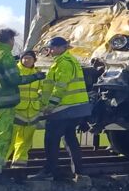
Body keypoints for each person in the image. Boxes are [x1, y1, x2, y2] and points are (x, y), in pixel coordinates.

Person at [0, 28, 44, 187]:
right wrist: (36, 76)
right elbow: (14, 79)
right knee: (2, 138)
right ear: (10, 40)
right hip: (5, 103)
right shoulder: (5, 56)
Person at [30, 37, 92, 182]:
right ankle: (79, 171)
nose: (50, 51)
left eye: (52, 48)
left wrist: (51, 105)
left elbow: (60, 87)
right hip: (75, 108)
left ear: (61, 48)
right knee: (70, 138)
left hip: (64, 108)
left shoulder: (63, 64)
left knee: (51, 138)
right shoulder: (68, 61)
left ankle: (49, 170)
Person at [9, 50, 43, 168]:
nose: (27, 60)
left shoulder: (38, 74)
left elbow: (42, 89)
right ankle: (1, 164)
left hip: (32, 111)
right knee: (10, 139)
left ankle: (19, 164)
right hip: (17, 110)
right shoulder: (15, 72)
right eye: (25, 58)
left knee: (26, 140)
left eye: (29, 58)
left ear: (34, 60)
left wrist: (39, 95)